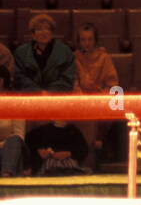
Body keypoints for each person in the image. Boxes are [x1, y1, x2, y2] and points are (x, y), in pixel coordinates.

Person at [73, 21, 120, 167]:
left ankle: (99, 142)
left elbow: (113, 84)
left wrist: (100, 96)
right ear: (79, 41)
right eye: (83, 39)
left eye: (90, 39)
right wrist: (81, 95)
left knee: (118, 98)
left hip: (100, 96)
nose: (87, 43)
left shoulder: (103, 57)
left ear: (95, 40)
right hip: (81, 97)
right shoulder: (74, 57)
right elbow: (74, 82)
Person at [13, 13, 75, 93]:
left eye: (47, 29)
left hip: (57, 97)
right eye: (39, 29)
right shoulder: (21, 53)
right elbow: (19, 78)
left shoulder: (65, 52)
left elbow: (67, 79)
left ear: (52, 33)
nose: (44, 32)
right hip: (29, 97)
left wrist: (49, 93)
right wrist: (38, 92)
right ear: (33, 34)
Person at [0, 42, 25, 175]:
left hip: (8, 147)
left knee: (15, 141)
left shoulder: (14, 103)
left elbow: (19, 134)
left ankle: (6, 176)